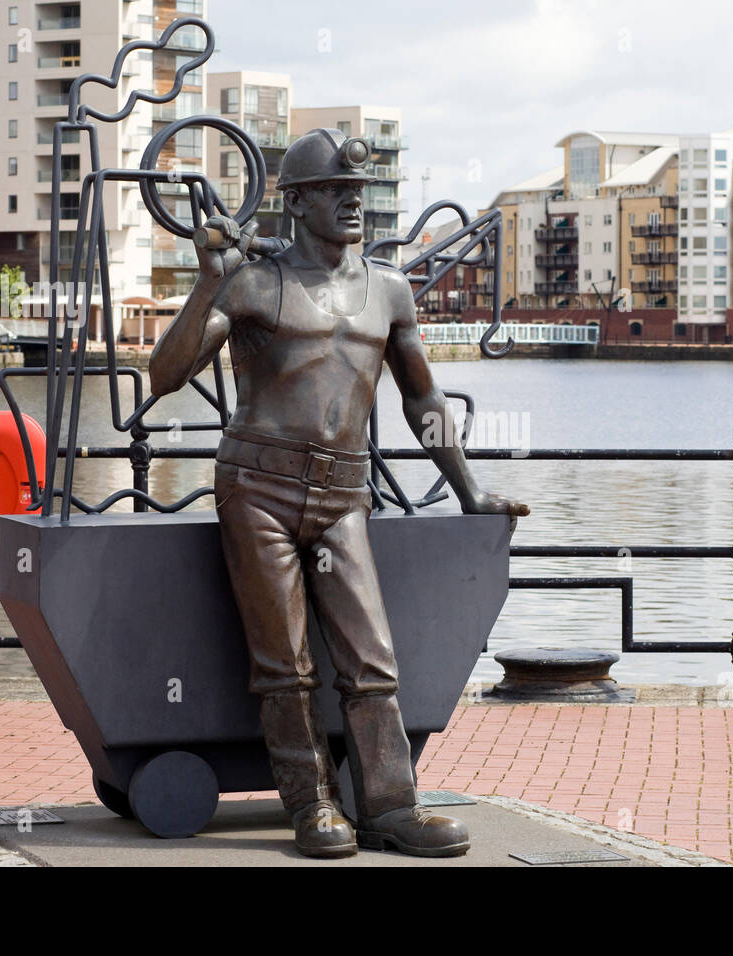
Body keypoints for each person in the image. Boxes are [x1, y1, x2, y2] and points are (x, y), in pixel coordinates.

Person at [149, 128, 528, 859]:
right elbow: (164, 376)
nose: (353, 202)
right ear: (296, 203)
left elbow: (424, 399)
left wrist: (471, 489)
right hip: (256, 489)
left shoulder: (387, 288)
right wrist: (205, 282)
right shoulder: (252, 283)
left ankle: (389, 807)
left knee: (372, 657)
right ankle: (311, 804)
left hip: (341, 495)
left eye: (359, 192)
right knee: (284, 663)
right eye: (334, 191)